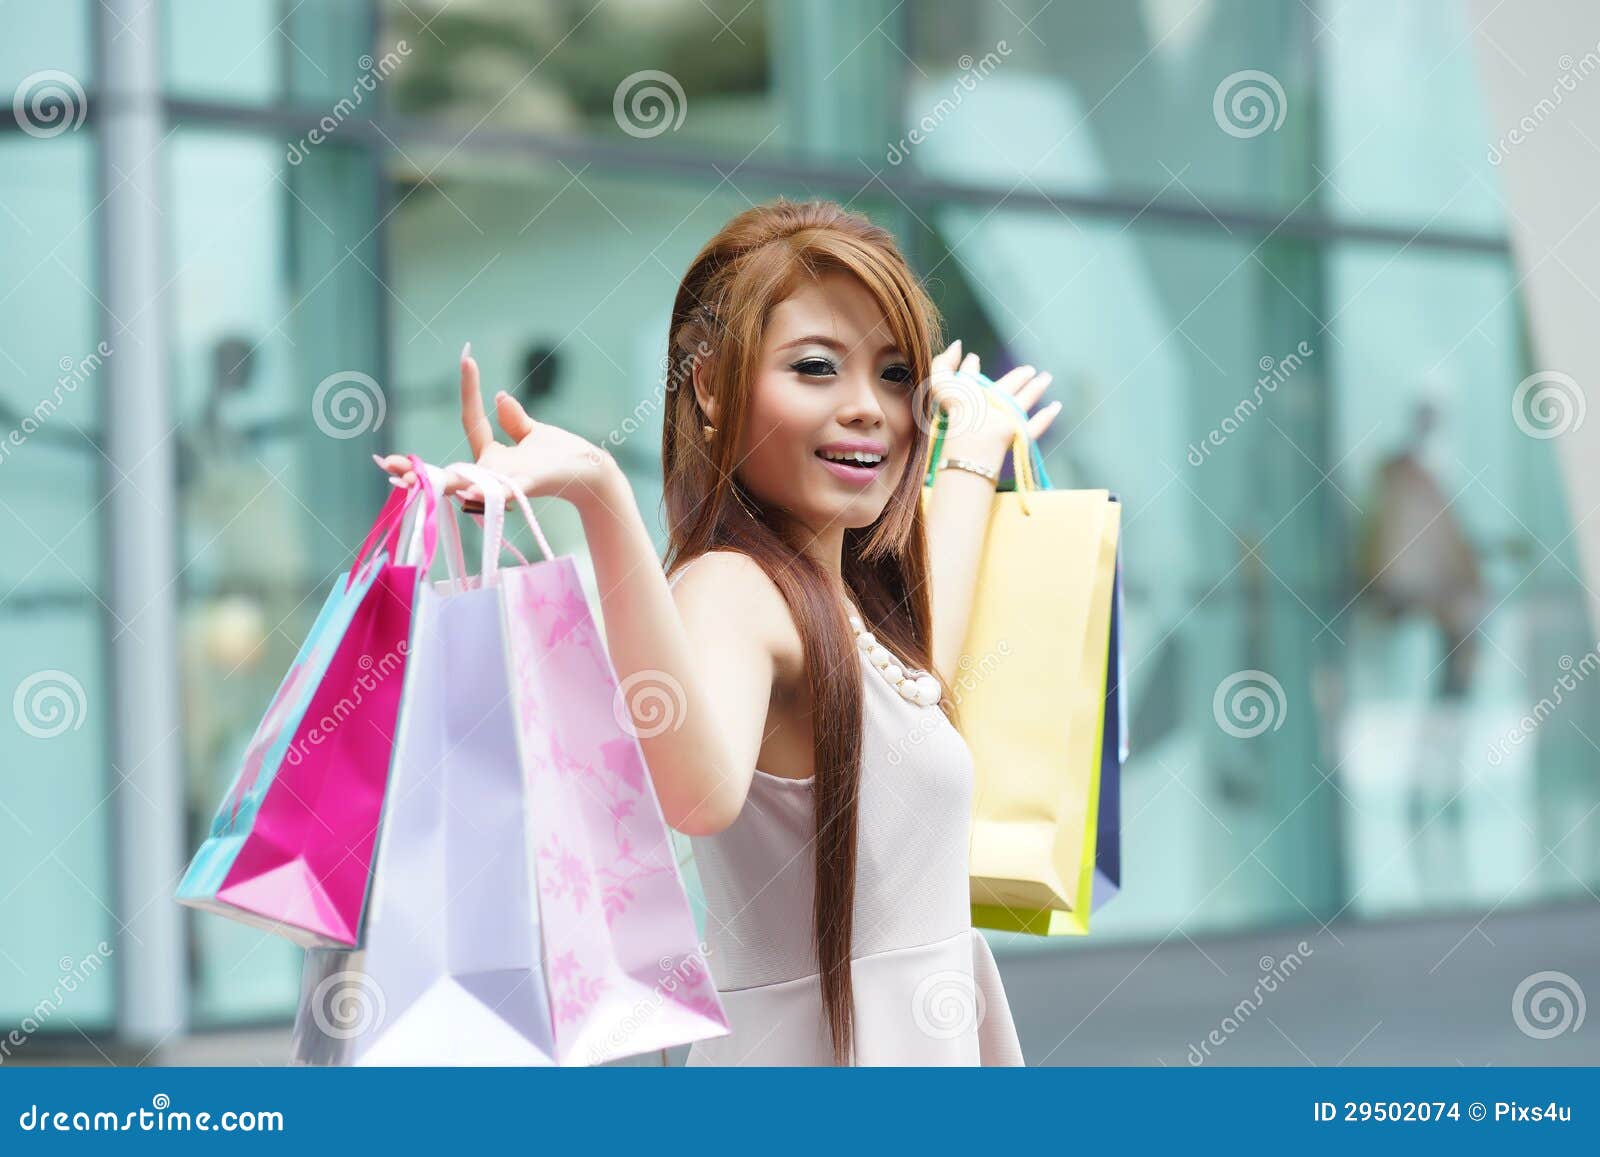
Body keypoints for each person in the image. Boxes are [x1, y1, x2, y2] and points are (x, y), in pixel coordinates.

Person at [376, 198, 1061, 1066]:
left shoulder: (847, 604)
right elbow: (696, 794)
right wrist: (599, 491)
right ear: (708, 386)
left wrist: (971, 449)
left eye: (895, 375)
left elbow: (932, 660)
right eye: (816, 367)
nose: (869, 409)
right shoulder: (736, 590)